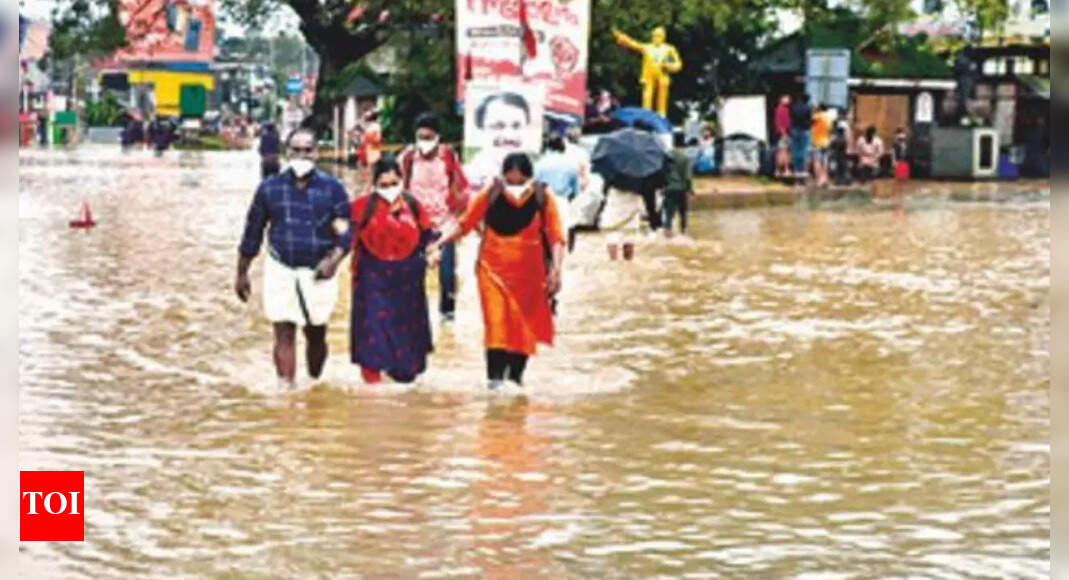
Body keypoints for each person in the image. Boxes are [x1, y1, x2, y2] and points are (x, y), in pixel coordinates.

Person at [432, 153, 566, 390]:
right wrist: (440, 243)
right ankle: (494, 382)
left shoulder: (542, 197)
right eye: (510, 181)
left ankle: (515, 380)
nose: (514, 186)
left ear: (529, 177)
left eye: (520, 181)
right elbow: (465, 223)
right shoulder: (490, 194)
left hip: (530, 276)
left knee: (523, 329)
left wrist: (556, 269)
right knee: (496, 324)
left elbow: (556, 237)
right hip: (491, 272)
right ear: (503, 176)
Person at [235, 129, 353, 391]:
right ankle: (286, 391)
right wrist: (242, 272)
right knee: (283, 332)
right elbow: (252, 232)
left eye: (307, 150)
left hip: (319, 271)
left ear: (317, 153)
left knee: (316, 332)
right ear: (287, 153)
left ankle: (314, 385)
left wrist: (333, 260)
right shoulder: (270, 188)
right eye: (296, 150)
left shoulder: (333, 189)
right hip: (281, 266)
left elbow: (346, 232)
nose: (302, 155)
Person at [349, 156, 436, 384]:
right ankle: (373, 391)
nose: (389, 189)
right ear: (374, 184)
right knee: (372, 334)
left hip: (407, 281)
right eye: (384, 185)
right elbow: (345, 240)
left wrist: (433, 252)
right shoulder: (361, 207)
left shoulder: (413, 206)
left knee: (407, 343)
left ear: (402, 180)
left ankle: (402, 386)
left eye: (394, 183)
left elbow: (428, 236)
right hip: (372, 280)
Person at [398, 112, 470, 322]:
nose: (424, 142)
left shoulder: (448, 157)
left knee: (447, 276)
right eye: (421, 137)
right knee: (413, 275)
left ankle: (447, 318)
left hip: (444, 225)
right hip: (415, 226)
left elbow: (462, 189)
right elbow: (396, 188)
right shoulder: (407, 158)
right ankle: (413, 317)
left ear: (437, 137)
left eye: (429, 137)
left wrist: (461, 220)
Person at [466, 92, 533, 189]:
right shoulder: (464, 183)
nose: (509, 136)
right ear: (479, 132)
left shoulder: (538, 181)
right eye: (498, 126)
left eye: (516, 126)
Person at [663, 132, 694, 237]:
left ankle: (667, 232)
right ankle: (683, 233)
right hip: (681, 189)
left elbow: (662, 172)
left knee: (668, 213)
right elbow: (688, 177)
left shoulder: (667, 155)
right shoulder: (685, 157)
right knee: (683, 213)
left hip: (668, 188)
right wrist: (690, 190)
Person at [789, 93, 813, 176]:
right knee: (803, 150)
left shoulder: (794, 107)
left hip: (795, 129)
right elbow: (810, 119)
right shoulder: (808, 108)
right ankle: (802, 169)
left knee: (795, 149)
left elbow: (791, 117)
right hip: (804, 130)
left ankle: (796, 168)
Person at [810, 104, 833, 187]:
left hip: (817, 142)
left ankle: (819, 180)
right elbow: (830, 130)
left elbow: (810, 120)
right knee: (825, 161)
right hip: (826, 142)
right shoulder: (829, 117)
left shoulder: (817, 116)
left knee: (817, 161)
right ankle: (825, 179)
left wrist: (814, 110)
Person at [774, 95, 792, 177]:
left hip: (786, 133)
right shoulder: (780, 109)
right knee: (783, 152)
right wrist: (783, 133)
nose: (788, 100)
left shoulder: (786, 109)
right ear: (781, 99)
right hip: (783, 134)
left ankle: (783, 170)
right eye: (786, 98)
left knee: (785, 152)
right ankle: (782, 170)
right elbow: (778, 122)